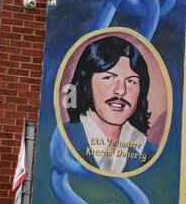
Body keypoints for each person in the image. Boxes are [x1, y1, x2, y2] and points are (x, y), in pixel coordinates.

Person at [62, 35, 163, 174]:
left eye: (131, 81)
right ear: (86, 83)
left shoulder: (151, 154)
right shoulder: (63, 141)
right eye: (108, 77)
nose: (121, 90)